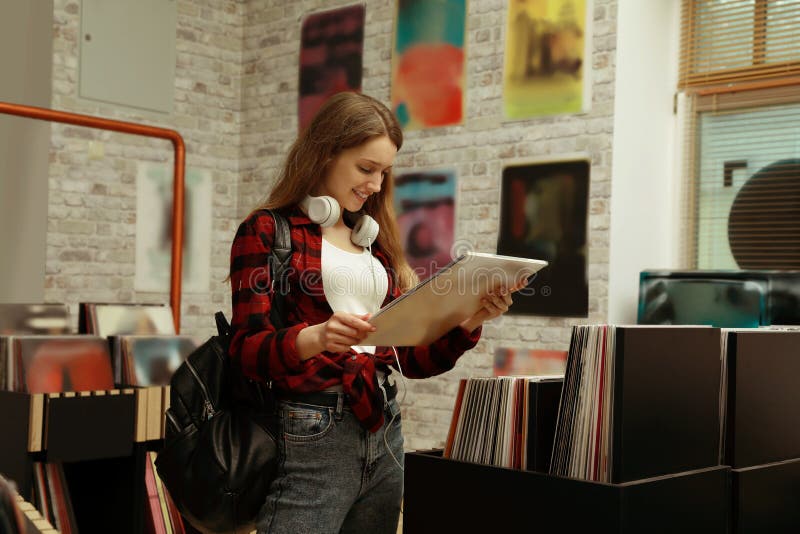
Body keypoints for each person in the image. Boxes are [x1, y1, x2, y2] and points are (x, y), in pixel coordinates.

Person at [228, 92, 523, 534]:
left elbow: (411, 360)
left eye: (384, 172)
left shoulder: (374, 243)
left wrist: (470, 319)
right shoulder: (268, 231)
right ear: (325, 153)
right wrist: (317, 336)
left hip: (384, 428)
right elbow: (245, 351)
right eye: (366, 169)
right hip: (312, 430)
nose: (376, 184)